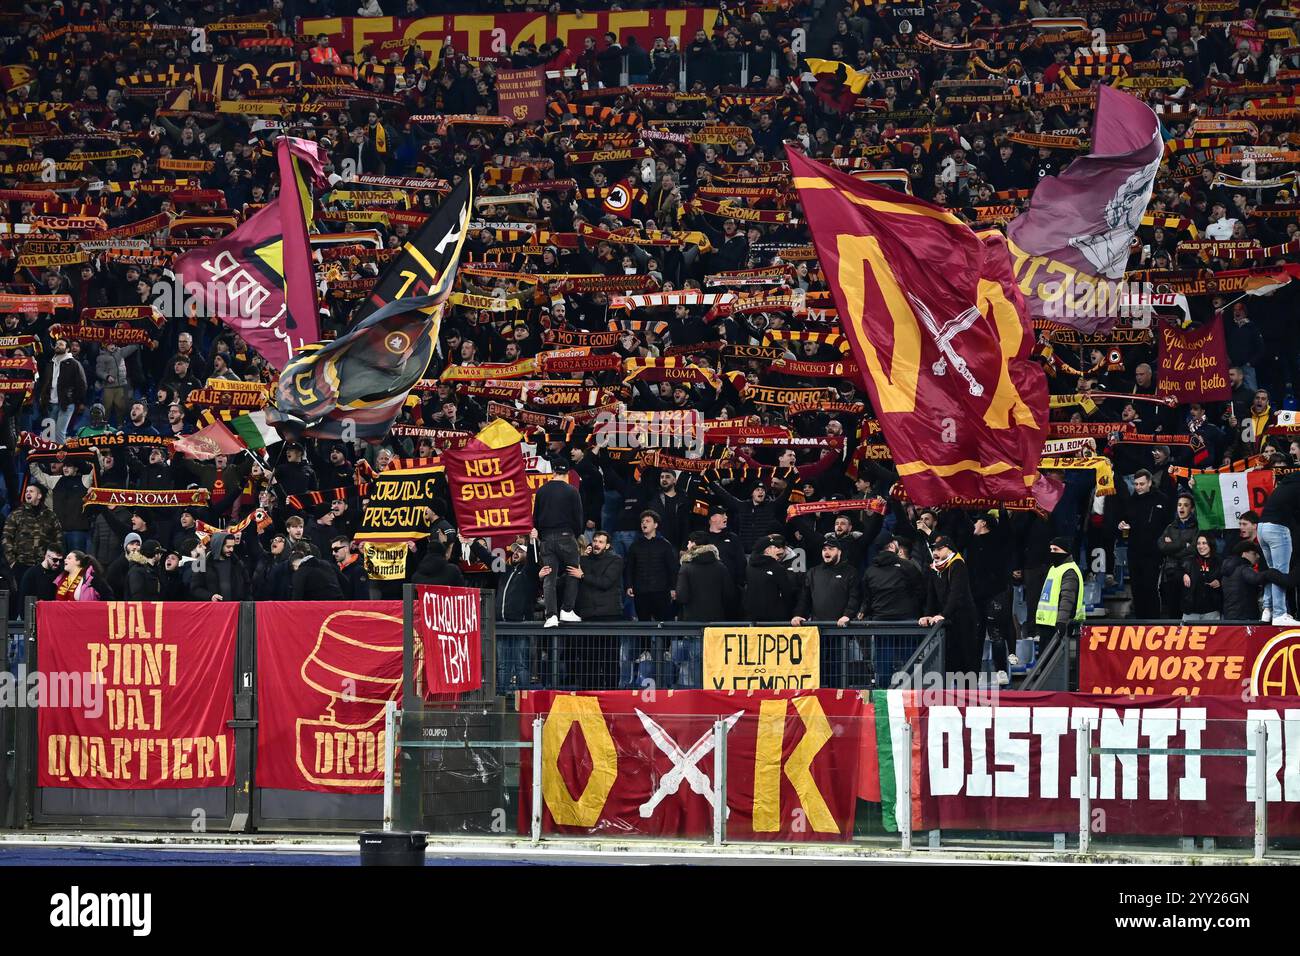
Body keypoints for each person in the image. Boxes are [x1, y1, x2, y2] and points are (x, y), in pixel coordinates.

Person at [532, 459, 584, 627]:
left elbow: (535, 518)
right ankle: (567, 610)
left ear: (553, 471)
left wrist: (541, 533)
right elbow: (578, 519)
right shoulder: (572, 491)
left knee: (549, 576)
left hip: (546, 538)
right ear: (567, 473)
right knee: (572, 571)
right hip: (566, 535)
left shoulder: (541, 491)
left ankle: (551, 616)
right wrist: (576, 534)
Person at [920, 535, 979, 679]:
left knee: (966, 658)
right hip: (948, 619)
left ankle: (968, 694)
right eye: (934, 549)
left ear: (949, 549)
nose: (936, 552)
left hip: (963, 617)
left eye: (940, 549)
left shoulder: (958, 564)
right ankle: (949, 695)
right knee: (949, 659)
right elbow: (931, 594)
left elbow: (956, 593)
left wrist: (944, 614)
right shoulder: (934, 567)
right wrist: (928, 614)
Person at [1118, 470, 1170, 619]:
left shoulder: (1162, 499)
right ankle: (1140, 622)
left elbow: (1167, 524)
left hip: (1154, 553)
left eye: (1141, 484)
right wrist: (1122, 526)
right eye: (1135, 484)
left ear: (1149, 482)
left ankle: (1154, 622)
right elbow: (1123, 521)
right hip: (1134, 551)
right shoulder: (1130, 501)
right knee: (1137, 589)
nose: (1138, 487)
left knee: (1151, 588)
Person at [4, 484, 63, 611]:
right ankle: (19, 627)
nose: (27, 494)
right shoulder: (16, 514)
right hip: (21, 565)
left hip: (43, 567)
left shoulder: (50, 516)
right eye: (26, 491)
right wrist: (12, 562)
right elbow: (6, 538)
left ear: (39, 495)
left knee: (43, 597)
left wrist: (53, 560)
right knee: (20, 597)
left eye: (31, 491)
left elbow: (58, 539)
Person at [1259, 463, 1300, 625]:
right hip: (1278, 529)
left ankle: (1267, 610)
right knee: (1279, 572)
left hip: (1262, 528)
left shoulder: (1288, 483)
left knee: (1272, 571)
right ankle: (1280, 614)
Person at [625, 510, 678, 622]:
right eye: (642, 521)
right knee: (644, 626)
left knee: (664, 626)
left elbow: (672, 569)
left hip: (661, 592)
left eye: (647, 521)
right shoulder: (635, 545)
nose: (644, 523)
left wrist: (673, 588)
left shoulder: (665, 545)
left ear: (655, 525)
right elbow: (629, 567)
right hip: (641, 592)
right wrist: (629, 585)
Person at [862, 536, 926, 621]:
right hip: (907, 621)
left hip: (879, 621)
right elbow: (920, 591)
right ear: (892, 546)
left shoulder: (870, 571)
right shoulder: (907, 566)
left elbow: (867, 598)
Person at [1035, 537, 1085, 646]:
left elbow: (1067, 599)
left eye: (1056, 550)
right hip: (1046, 624)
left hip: (1058, 625)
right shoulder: (1054, 568)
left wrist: (1061, 622)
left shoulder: (1069, 571)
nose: (1052, 552)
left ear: (1065, 551)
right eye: (1051, 549)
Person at [1157, 493, 1199, 619]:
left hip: (1188, 572)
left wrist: (1172, 546)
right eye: (1179, 505)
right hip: (1170, 573)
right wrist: (1183, 544)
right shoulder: (1170, 527)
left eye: (1186, 505)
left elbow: (1193, 549)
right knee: (1171, 610)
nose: (1181, 508)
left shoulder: (1197, 528)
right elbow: (1161, 546)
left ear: (1192, 509)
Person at [744, 534, 800, 622]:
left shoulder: (749, 566)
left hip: (753, 618)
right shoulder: (776, 567)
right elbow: (787, 593)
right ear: (767, 550)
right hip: (774, 618)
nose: (777, 550)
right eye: (774, 547)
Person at [189, 532, 251, 602]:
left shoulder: (238, 564)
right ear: (218, 546)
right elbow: (195, 589)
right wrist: (210, 596)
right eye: (228, 547)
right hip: (213, 609)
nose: (231, 550)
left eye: (232, 546)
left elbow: (247, 586)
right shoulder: (201, 564)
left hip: (235, 609)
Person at [1182, 533, 1223, 621]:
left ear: (1211, 544)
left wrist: (1220, 582)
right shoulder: (1189, 561)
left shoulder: (1220, 562)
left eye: (1204, 543)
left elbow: (1227, 579)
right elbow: (1175, 574)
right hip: (1191, 610)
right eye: (1198, 543)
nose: (1201, 546)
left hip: (1212, 610)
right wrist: (1183, 575)